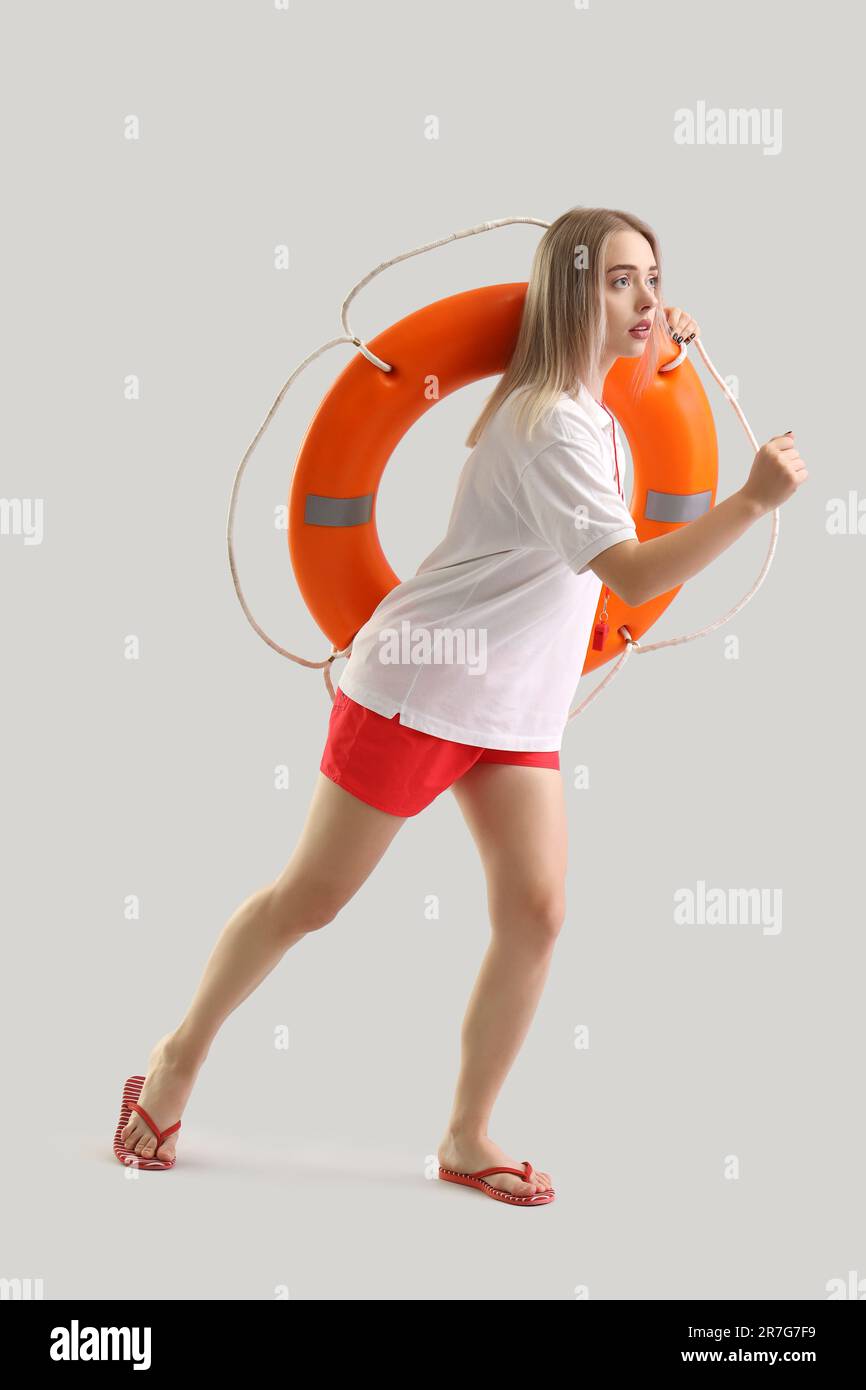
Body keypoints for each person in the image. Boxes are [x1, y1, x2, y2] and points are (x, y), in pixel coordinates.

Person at [114, 206, 808, 1202]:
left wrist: (657, 353)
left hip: (515, 706)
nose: (649, 297)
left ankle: (466, 1136)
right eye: (620, 281)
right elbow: (631, 564)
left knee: (535, 908)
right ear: (573, 293)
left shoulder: (591, 411)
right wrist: (746, 503)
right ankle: (175, 1060)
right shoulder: (548, 425)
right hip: (418, 690)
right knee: (309, 899)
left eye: (653, 276)